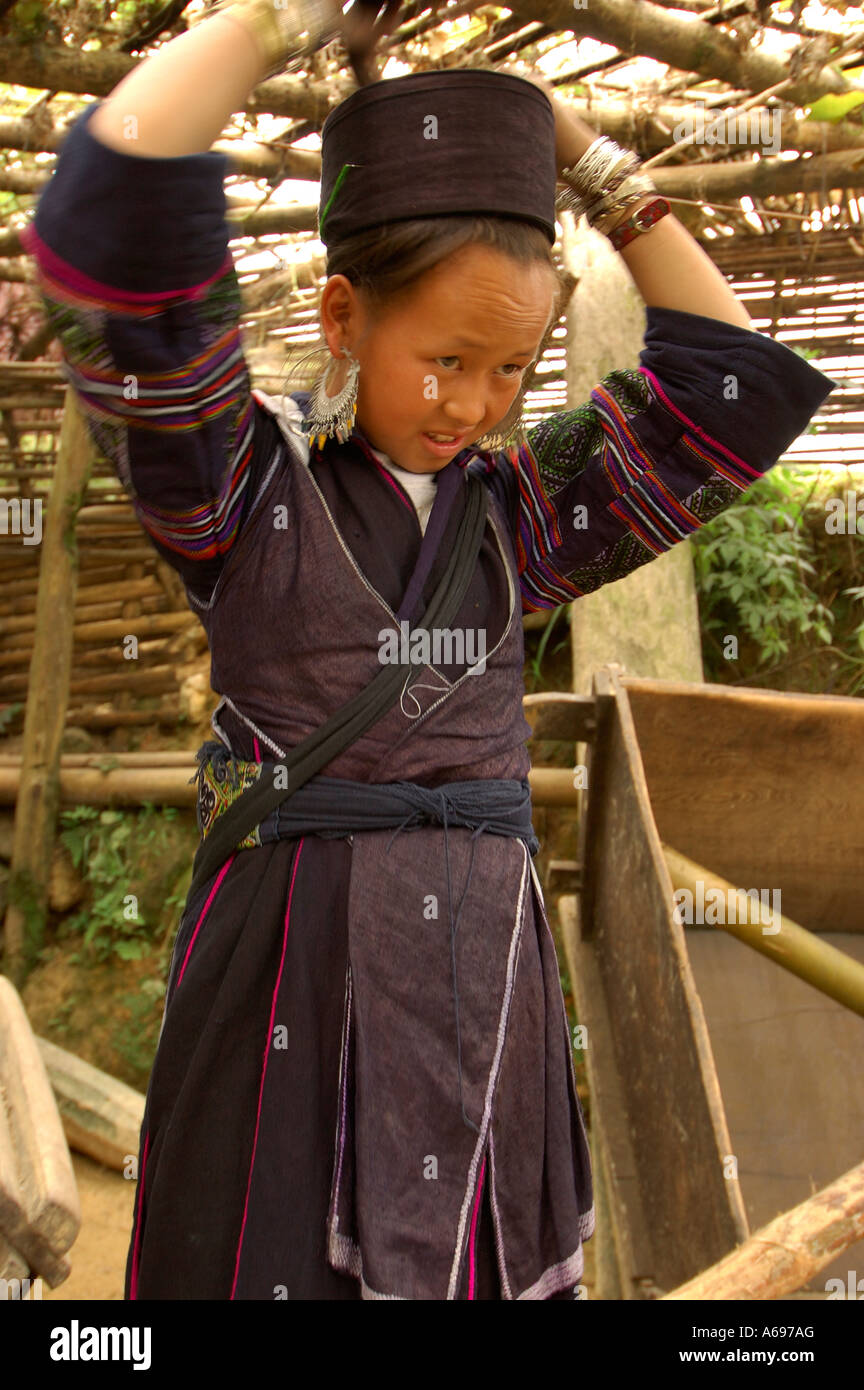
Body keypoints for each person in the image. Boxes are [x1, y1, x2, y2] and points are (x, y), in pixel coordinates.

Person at [22, 0, 835, 1301]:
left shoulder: (519, 511)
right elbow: (112, 215)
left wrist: (579, 152)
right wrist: (274, 23)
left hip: (483, 984)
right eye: (446, 358)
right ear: (341, 316)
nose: (477, 406)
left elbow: (731, 384)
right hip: (290, 973)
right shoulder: (241, 492)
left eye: (516, 368)